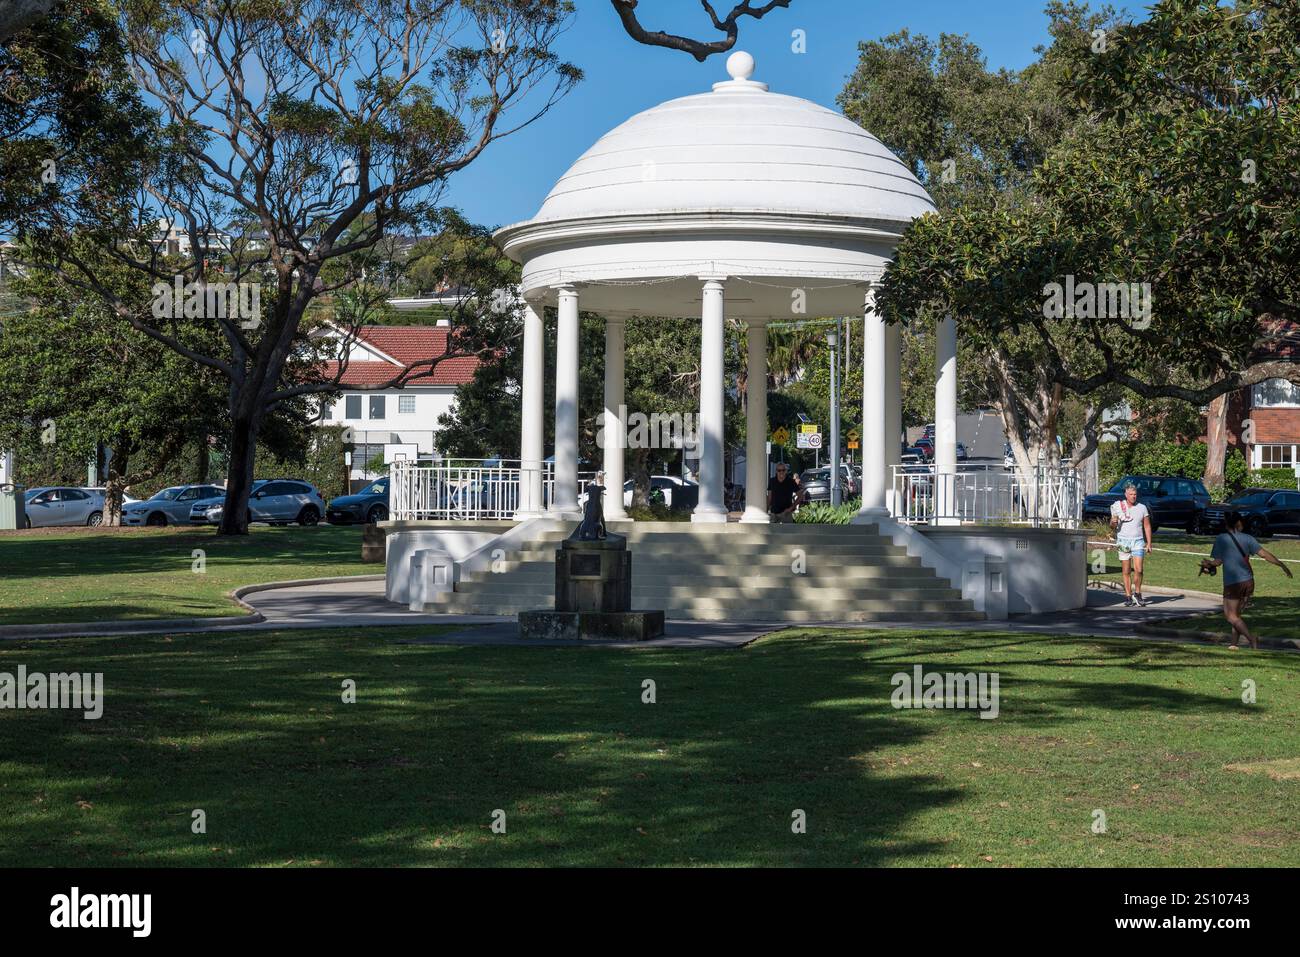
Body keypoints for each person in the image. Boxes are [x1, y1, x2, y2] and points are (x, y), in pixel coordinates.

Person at [1200, 510, 1292, 650]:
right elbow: (1265, 555)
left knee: (1230, 616)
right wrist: (1282, 565)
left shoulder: (1222, 539)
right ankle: (1234, 644)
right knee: (1237, 615)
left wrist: (1208, 564)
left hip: (1233, 582)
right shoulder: (1248, 538)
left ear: (1226, 524)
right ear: (1238, 523)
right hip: (1248, 581)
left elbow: (1217, 562)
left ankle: (1251, 638)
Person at [1110, 482, 1152, 606]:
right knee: (1126, 570)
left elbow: (1147, 526)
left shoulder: (1142, 508)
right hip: (1123, 541)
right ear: (1126, 495)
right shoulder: (1118, 507)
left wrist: (1149, 543)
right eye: (1131, 494)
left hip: (1138, 541)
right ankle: (1128, 596)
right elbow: (1112, 526)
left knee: (1139, 569)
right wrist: (1113, 522)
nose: (1133, 496)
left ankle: (1137, 593)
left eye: (1135, 494)